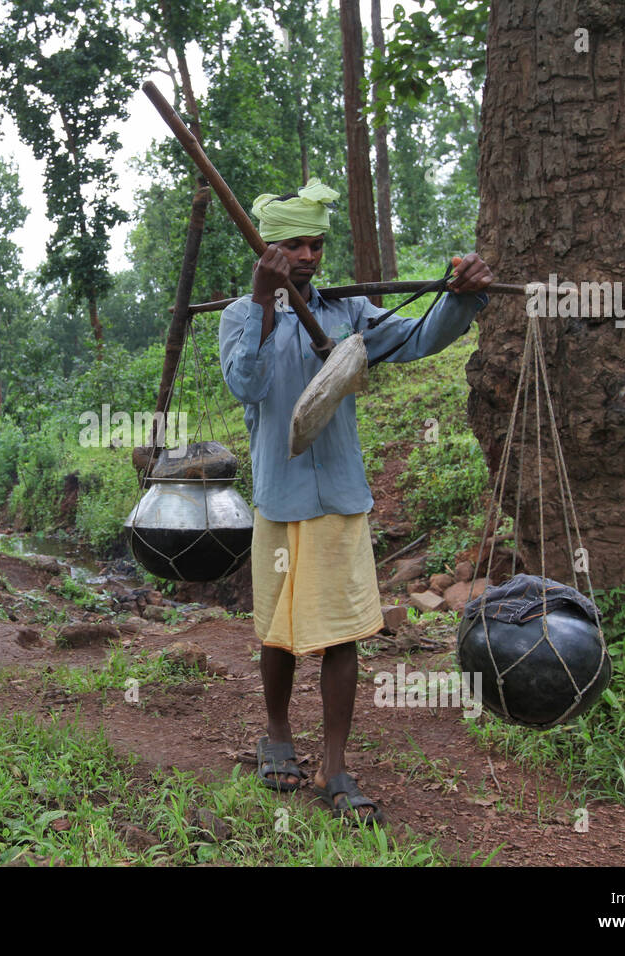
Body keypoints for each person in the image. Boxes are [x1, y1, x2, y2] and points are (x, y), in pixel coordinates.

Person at [218, 178, 493, 824]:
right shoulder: (240, 315)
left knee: (342, 635)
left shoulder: (349, 315)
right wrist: (263, 302)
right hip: (280, 501)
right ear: (268, 253)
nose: (308, 257)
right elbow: (246, 383)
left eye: (315, 244)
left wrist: (464, 296)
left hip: (340, 499)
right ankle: (278, 736)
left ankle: (337, 766)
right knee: (279, 634)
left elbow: (419, 338)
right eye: (293, 247)